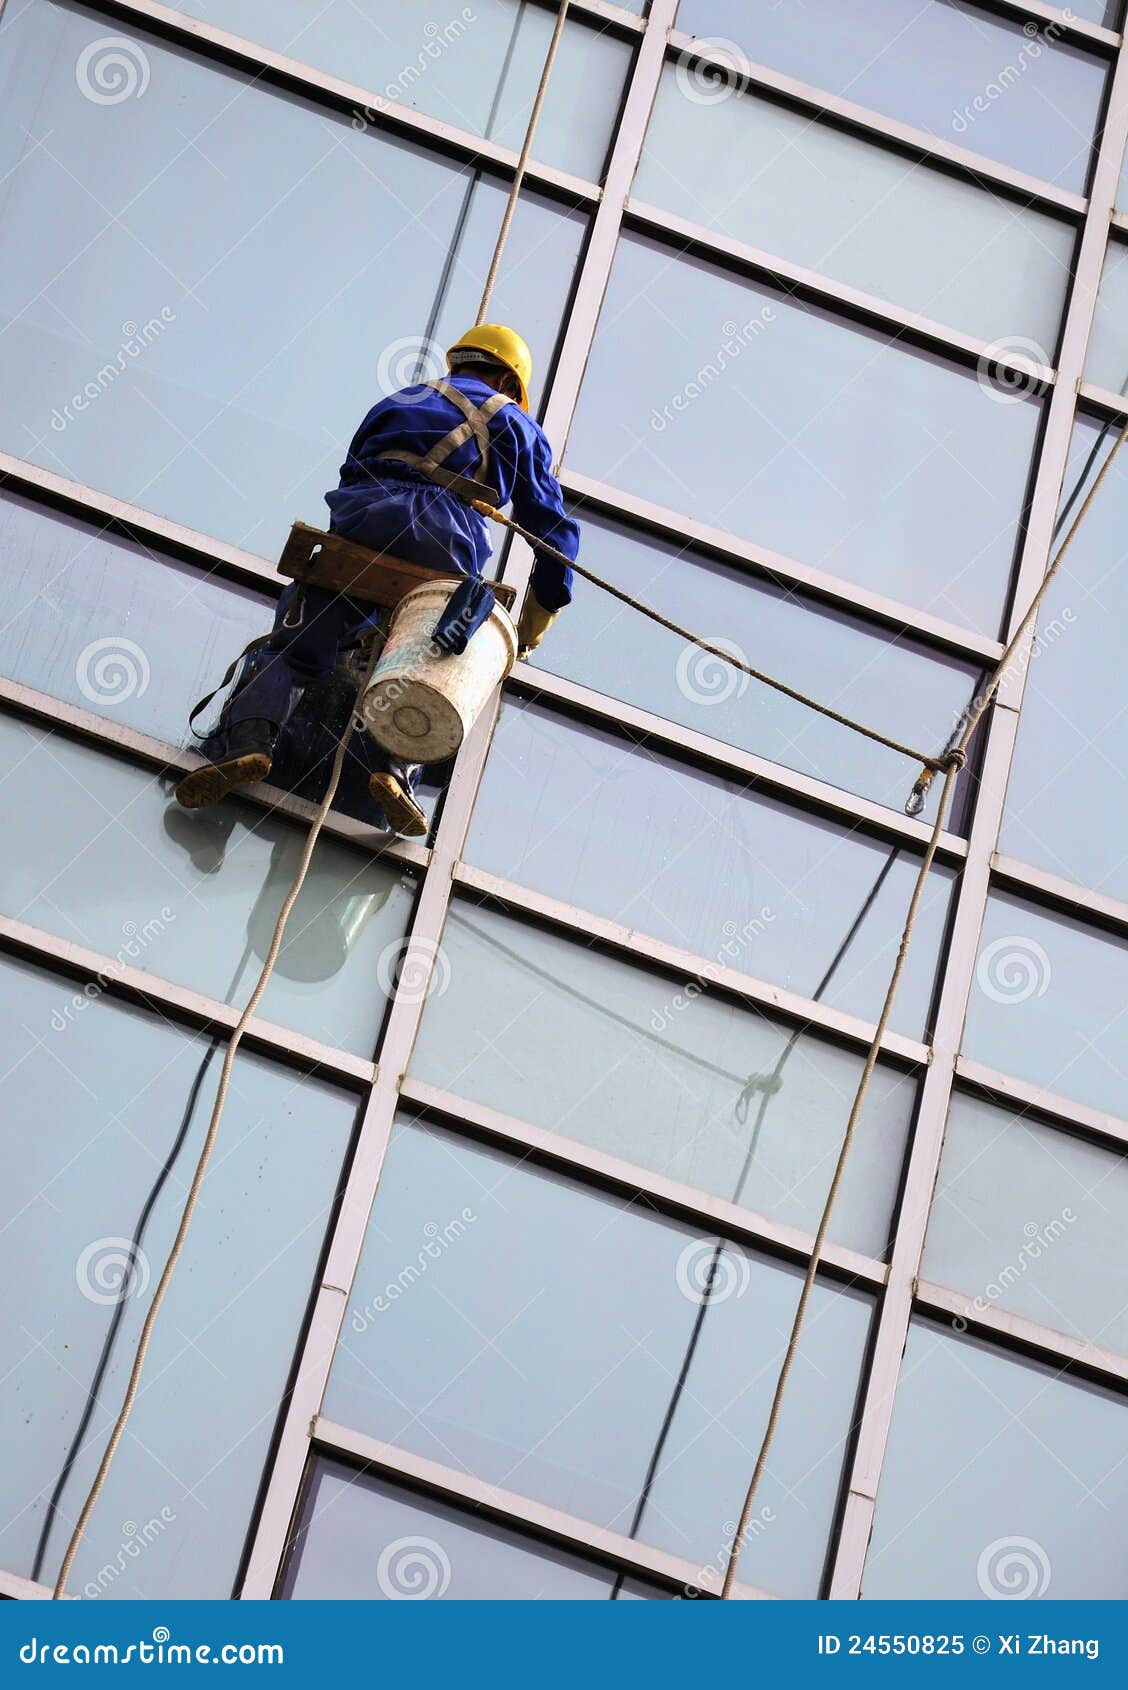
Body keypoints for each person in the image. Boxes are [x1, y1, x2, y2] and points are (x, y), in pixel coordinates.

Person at [175, 324, 580, 835]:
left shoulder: (399, 399)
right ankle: (394, 768)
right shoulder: (517, 424)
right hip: (445, 536)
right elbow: (554, 533)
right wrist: (533, 624)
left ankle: (249, 741)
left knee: (296, 648)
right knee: (432, 658)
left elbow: (352, 469)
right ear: (506, 378)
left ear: (456, 365)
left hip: (362, 519)